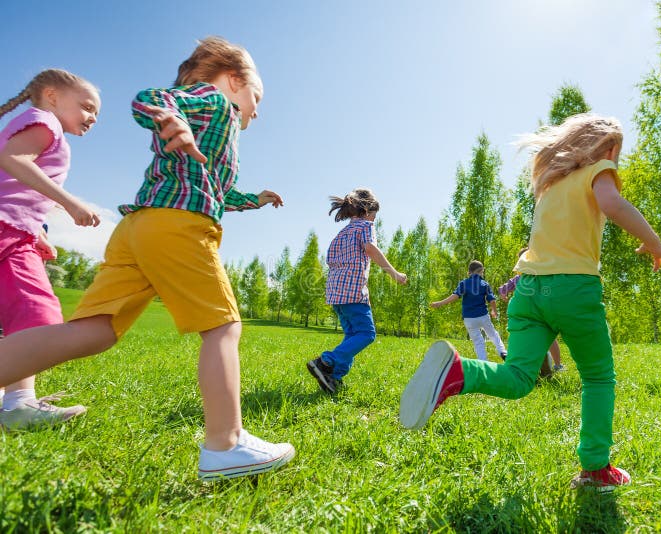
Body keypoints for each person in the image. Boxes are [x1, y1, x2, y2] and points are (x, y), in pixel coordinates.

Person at [0, 37, 295, 481]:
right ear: (235, 81)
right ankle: (225, 444)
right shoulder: (212, 100)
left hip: (139, 230)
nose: (258, 108)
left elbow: (213, 186)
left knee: (94, 331)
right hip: (176, 227)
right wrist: (170, 118)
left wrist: (252, 199)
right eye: (258, 96)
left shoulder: (217, 130)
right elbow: (150, 99)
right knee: (223, 326)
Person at [400, 114, 661, 490]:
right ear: (608, 148)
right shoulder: (602, 168)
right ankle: (595, 468)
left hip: (529, 289)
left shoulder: (551, 183)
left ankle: (459, 371)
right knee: (598, 377)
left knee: (518, 378)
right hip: (573, 288)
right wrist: (655, 243)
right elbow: (613, 205)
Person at [0, 69, 101, 430]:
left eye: (96, 114)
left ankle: (15, 399)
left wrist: (38, 231)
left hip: (14, 230)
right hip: (7, 232)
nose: (92, 117)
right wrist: (71, 203)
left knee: (19, 315)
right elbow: (12, 160)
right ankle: (16, 404)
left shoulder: (39, 124)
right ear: (53, 95)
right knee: (36, 314)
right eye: (87, 106)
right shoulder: (45, 122)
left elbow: (13, 188)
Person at [307, 188, 407, 394]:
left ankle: (333, 377)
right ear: (367, 210)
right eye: (375, 216)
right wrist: (394, 273)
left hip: (336, 294)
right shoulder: (365, 226)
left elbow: (331, 260)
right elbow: (370, 249)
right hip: (353, 292)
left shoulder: (342, 233)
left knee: (352, 336)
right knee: (367, 334)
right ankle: (326, 361)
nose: (374, 220)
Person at [498, 247, 563, 374]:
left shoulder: (519, 278)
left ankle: (517, 361)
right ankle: (557, 365)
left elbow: (502, 289)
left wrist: (504, 295)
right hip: (543, 313)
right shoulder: (543, 274)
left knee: (521, 337)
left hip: (525, 316)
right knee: (549, 338)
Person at [431, 260, 507, 362]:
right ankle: (502, 351)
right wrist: (494, 311)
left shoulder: (464, 283)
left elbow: (455, 296)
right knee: (493, 334)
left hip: (469, 318)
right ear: (481, 271)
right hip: (483, 316)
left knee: (478, 341)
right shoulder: (485, 284)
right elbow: (492, 300)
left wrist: (440, 303)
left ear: (469, 272)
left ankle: (483, 362)